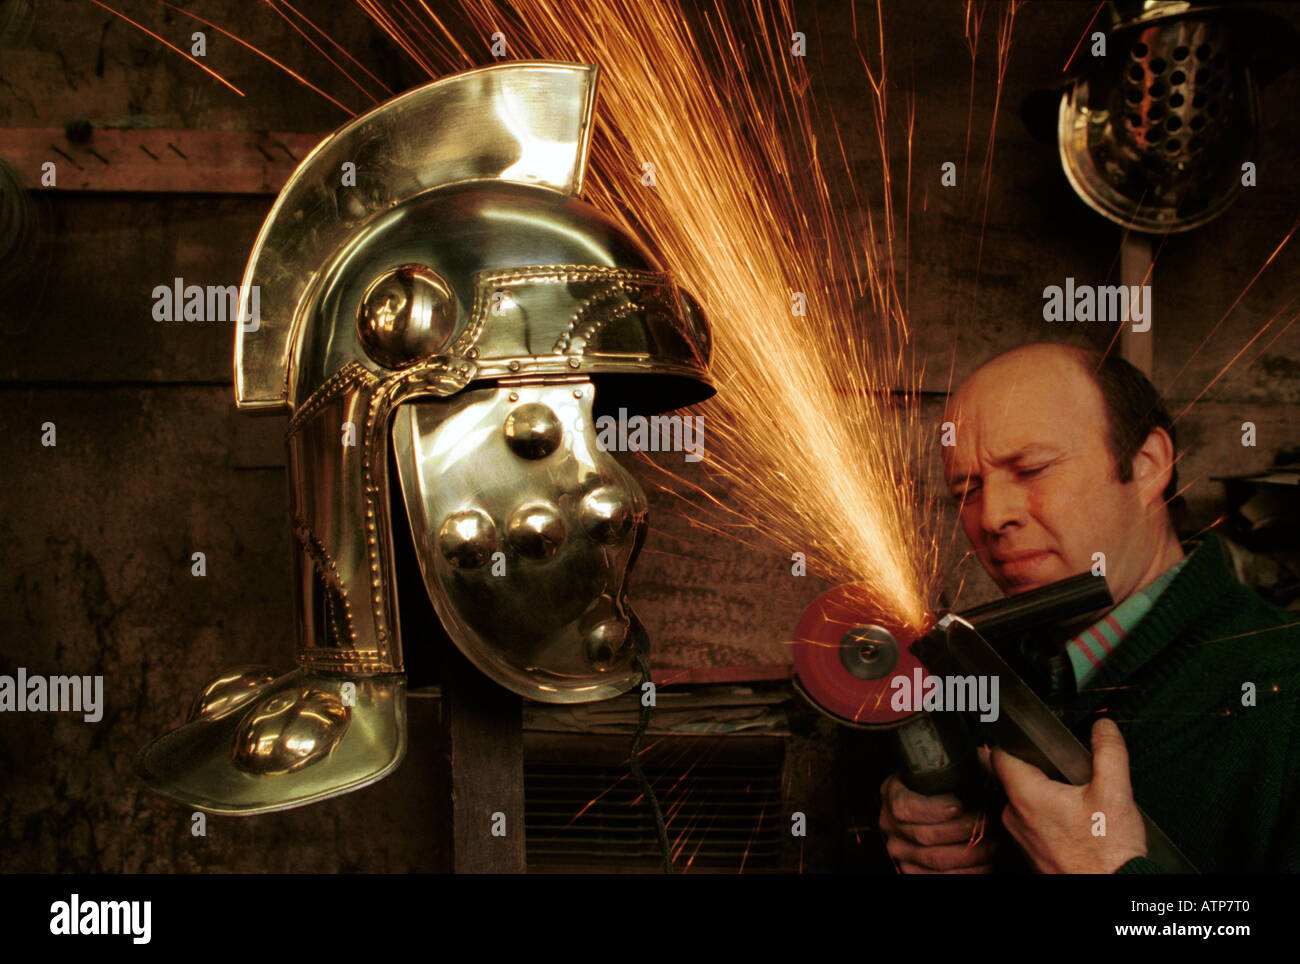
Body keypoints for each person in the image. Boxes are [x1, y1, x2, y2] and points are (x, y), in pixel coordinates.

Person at [879, 342, 1300, 873]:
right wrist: (917, 830)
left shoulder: (1285, 695)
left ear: (1146, 466)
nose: (992, 517)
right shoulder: (972, 674)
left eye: (1032, 469)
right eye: (966, 489)